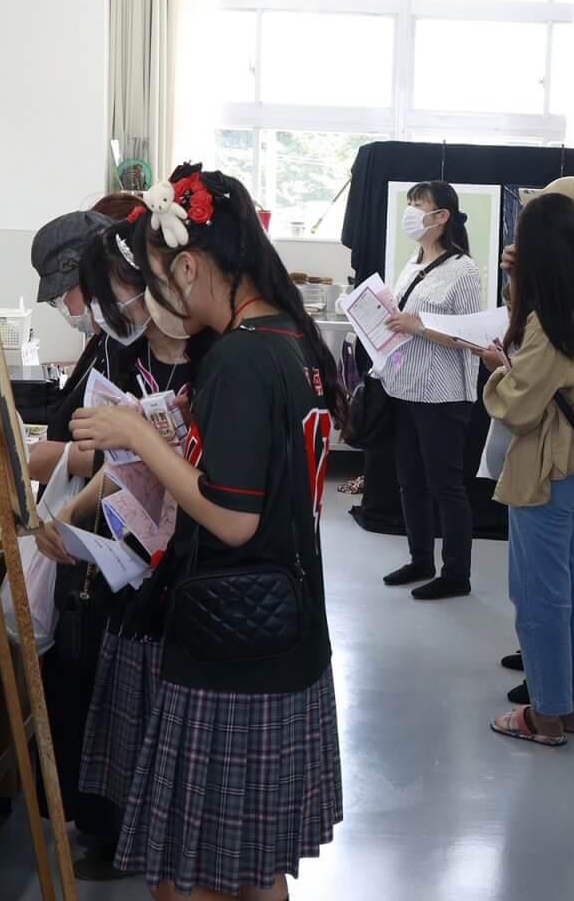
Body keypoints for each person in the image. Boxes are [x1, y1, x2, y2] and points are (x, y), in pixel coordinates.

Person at [39, 165, 343, 901]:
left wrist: (138, 439)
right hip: (284, 629)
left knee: (188, 878)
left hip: (232, 640)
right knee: (251, 868)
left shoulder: (240, 356)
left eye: (153, 280)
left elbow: (232, 517)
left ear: (189, 266)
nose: (152, 301)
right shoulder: (290, 338)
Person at [477, 188, 574, 748]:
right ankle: (571, 706)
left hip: (548, 464)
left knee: (539, 592)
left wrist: (499, 370)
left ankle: (544, 715)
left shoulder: (555, 315)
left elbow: (519, 407)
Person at [376, 181, 483, 601]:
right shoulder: (413, 261)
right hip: (404, 385)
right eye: (409, 204)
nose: (410, 212)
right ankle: (420, 558)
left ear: (442, 217)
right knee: (410, 481)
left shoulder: (464, 270)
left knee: (446, 485)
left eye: (418, 206)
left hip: (443, 394)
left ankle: (456, 574)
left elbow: (473, 338)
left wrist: (418, 326)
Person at [28, 209, 115, 480]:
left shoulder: (127, 343)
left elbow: (135, 461)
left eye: (62, 296)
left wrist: (66, 458)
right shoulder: (103, 340)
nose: (62, 307)